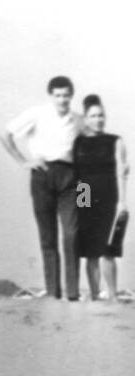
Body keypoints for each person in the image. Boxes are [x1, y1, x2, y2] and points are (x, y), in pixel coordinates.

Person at [0, 76, 85, 299]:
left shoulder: (79, 120)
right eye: (58, 95)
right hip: (43, 175)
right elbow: (6, 134)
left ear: (71, 95)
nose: (62, 99)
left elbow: (90, 153)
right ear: (51, 96)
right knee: (48, 236)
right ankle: (53, 293)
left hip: (70, 177)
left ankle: (73, 293)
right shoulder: (37, 114)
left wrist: (85, 197)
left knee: (72, 233)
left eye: (66, 95)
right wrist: (23, 161)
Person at [72, 94, 129, 301]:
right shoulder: (78, 142)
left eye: (101, 115)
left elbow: (122, 173)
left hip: (109, 198)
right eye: (93, 116)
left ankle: (112, 296)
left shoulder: (115, 141)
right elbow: (78, 176)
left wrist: (122, 202)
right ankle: (95, 295)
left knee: (108, 250)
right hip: (85, 195)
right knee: (90, 252)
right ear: (86, 119)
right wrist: (81, 204)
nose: (98, 120)